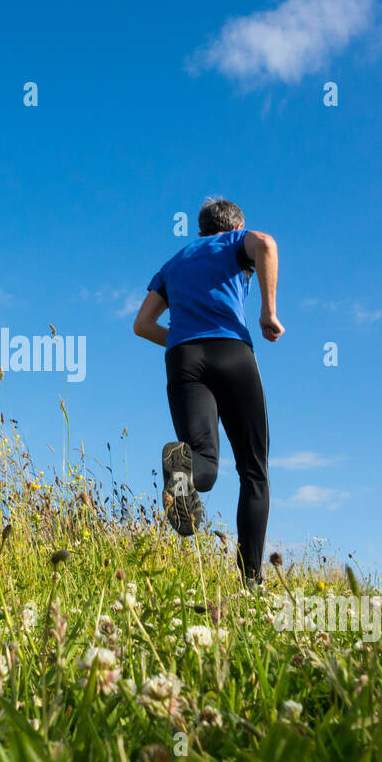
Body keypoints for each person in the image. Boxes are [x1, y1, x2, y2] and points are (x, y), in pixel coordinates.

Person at [132, 198, 283, 585]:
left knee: (203, 464)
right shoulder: (235, 242)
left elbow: (142, 325)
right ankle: (251, 581)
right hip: (232, 351)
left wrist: (184, 339)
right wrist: (268, 312)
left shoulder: (174, 262)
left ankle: (179, 473)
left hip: (182, 357)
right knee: (254, 471)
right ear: (235, 227)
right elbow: (266, 244)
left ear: (201, 228)